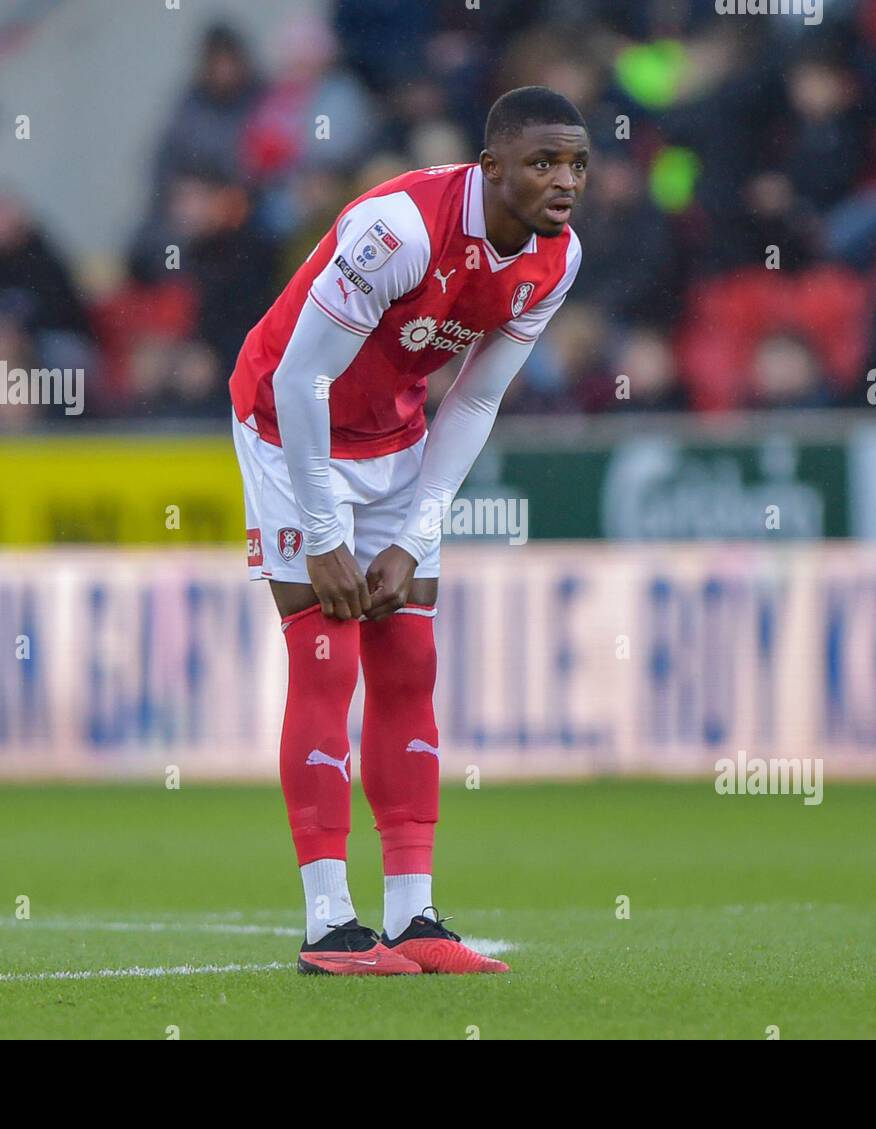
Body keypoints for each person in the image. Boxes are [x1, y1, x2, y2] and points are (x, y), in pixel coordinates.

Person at [229, 86, 587, 975]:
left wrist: (411, 533)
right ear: (491, 166)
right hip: (286, 424)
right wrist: (323, 533)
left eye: (578, 162)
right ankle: (328, 924)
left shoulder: (557, 257)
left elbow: (475, 397)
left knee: (410, 660)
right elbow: (302, 378)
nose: (565, 180)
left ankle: (414, 915)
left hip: (397, 437)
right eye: (544, 162)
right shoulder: (399, 231)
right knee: (328, 653)